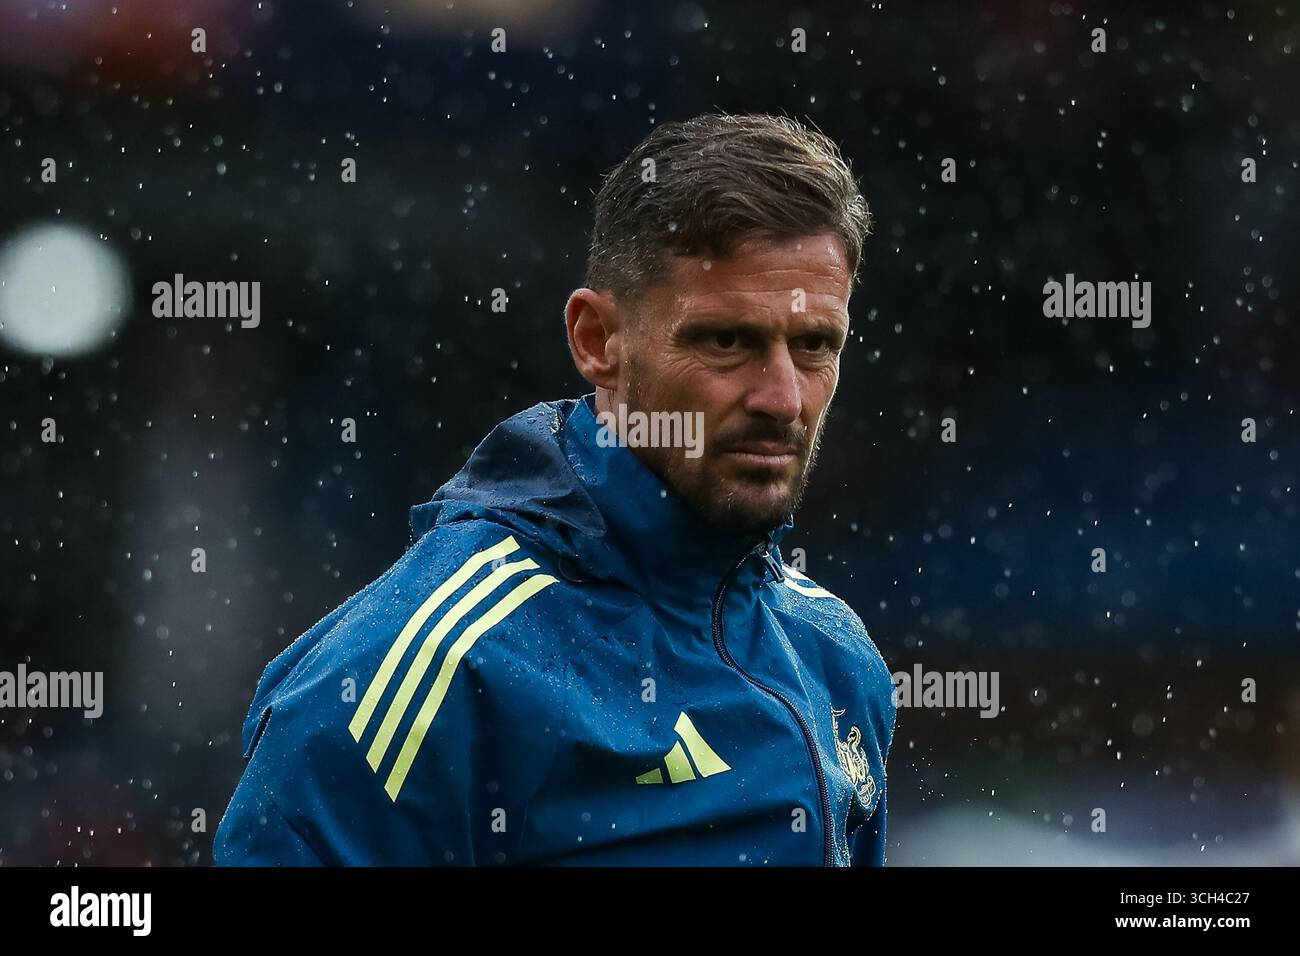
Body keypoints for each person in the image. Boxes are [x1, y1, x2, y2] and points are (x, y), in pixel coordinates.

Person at [215, 112, 896, 865]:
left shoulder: (836, 659)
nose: (782, 397)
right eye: (726, 340)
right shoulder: (431, 663)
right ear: (598, 341)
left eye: (814, 346)